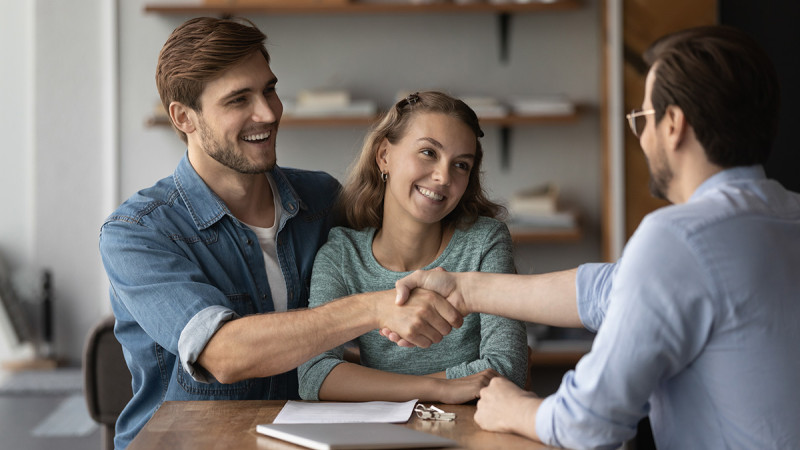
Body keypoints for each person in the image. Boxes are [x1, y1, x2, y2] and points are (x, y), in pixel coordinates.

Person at [389, 26, 800, 449]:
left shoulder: (679, 238)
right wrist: (460, 288)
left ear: (673, 125)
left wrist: (514, 409)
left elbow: (588, 425)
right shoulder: (783, 218)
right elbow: (609, 289)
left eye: (642, 119)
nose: (642, 138)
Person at [99, 18, 461, 449]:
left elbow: (400, 261)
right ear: (184, 117)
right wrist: (375, 308)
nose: (268, 113)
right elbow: (225, 354)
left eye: (269, 89)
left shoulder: (323, 199)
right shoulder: (136, 232)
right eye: (239, 99)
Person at [297, 91, 529, 404]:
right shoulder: (342, 255)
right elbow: (313, 376)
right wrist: (436, 388)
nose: (443, 176)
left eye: (461, 165)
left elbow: (507, 368)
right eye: (428, 153)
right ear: (384, 156)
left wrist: (383, 387)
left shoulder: (485, 241)